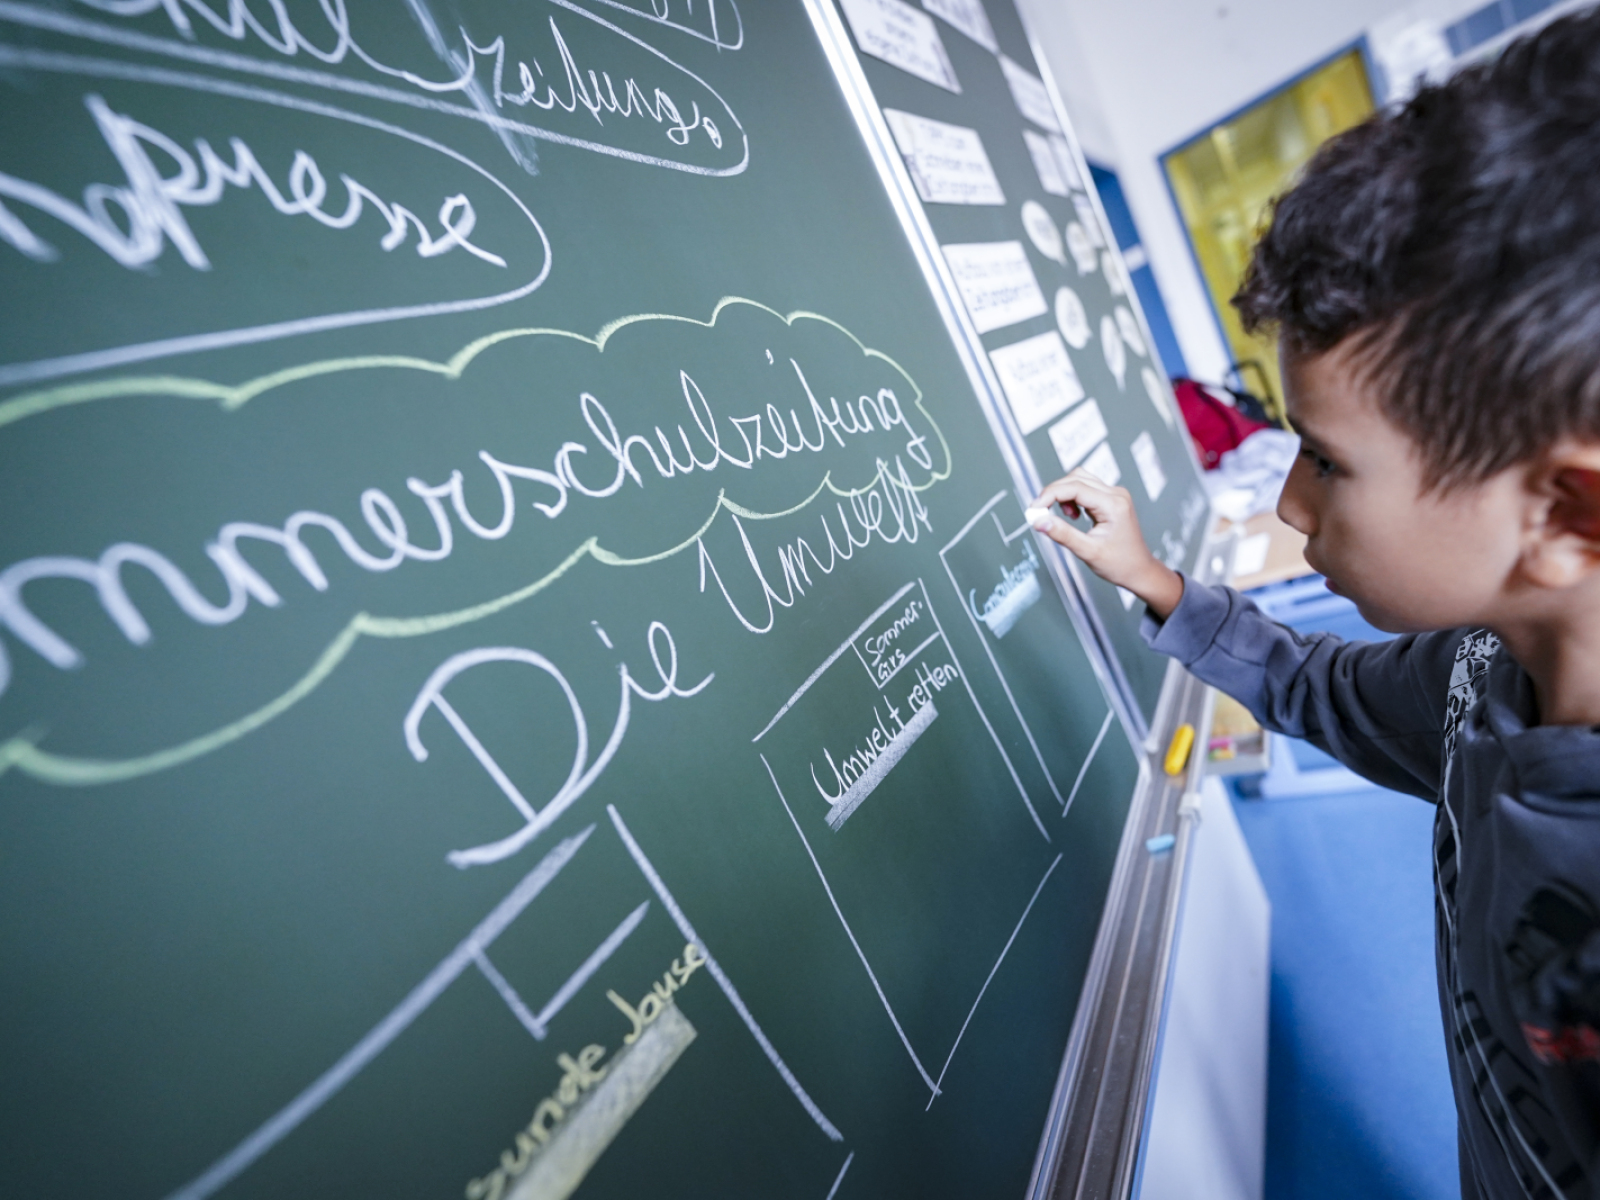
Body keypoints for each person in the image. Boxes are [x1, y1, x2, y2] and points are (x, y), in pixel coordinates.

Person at [1030, 12, 1600, 1199]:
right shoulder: (1482, 666)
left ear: (1560, 514)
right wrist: (1163, 589)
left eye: (1327, 462)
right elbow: (1323, 686)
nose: (1291, 506)